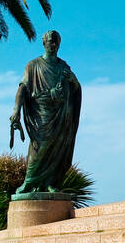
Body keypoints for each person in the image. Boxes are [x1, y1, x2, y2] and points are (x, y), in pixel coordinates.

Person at [10, 30, 82, 193]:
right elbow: (23, 88)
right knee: (38, 147)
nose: (54, 44)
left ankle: (50, 182)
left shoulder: (63, 66)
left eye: (56, 42)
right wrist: (16, 111)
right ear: (44, 43)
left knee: (57, 149)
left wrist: (74, 81)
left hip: (61, 114)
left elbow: (75, 89)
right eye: (50, 41)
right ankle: (29, 182)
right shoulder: (33, 65)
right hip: (41, 113)